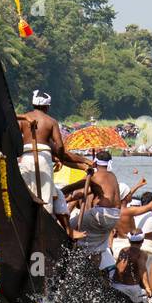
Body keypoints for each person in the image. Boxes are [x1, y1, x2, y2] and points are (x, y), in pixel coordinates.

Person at [17, 90, 91, 226]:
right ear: (47, 107)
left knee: (27, 192)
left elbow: (13, 131)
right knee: (46, 197)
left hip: (26, 157)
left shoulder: (22, 119)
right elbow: (60, 147)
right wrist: (61, 158)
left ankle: (28, 222)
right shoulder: (50, 121)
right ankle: (44, 225)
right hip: (43, 159)